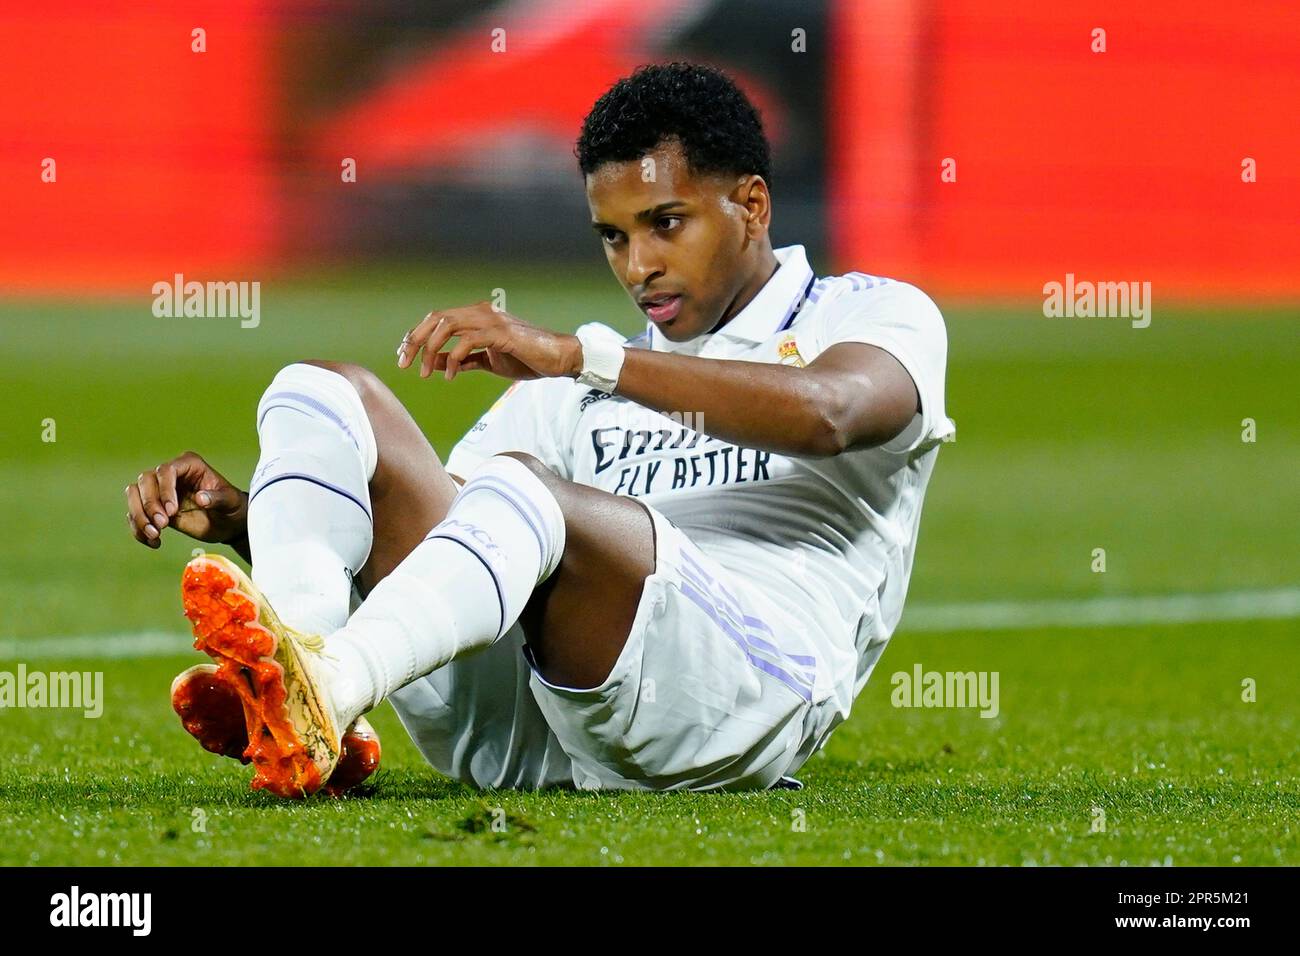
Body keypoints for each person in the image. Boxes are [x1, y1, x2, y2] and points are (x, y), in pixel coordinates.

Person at [125, 61, 954, 798]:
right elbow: (445, 548)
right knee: (323, 394)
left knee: (522, 489)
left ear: (751, 204)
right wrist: (256, 517)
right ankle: (307, 675)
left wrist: (578, 358)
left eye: (666, 223)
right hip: (541, 720)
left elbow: (831, 413)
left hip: (743, 698)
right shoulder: (588, 374)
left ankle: (329, 683)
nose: (638, 266)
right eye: (613, 236)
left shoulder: (866, 314)